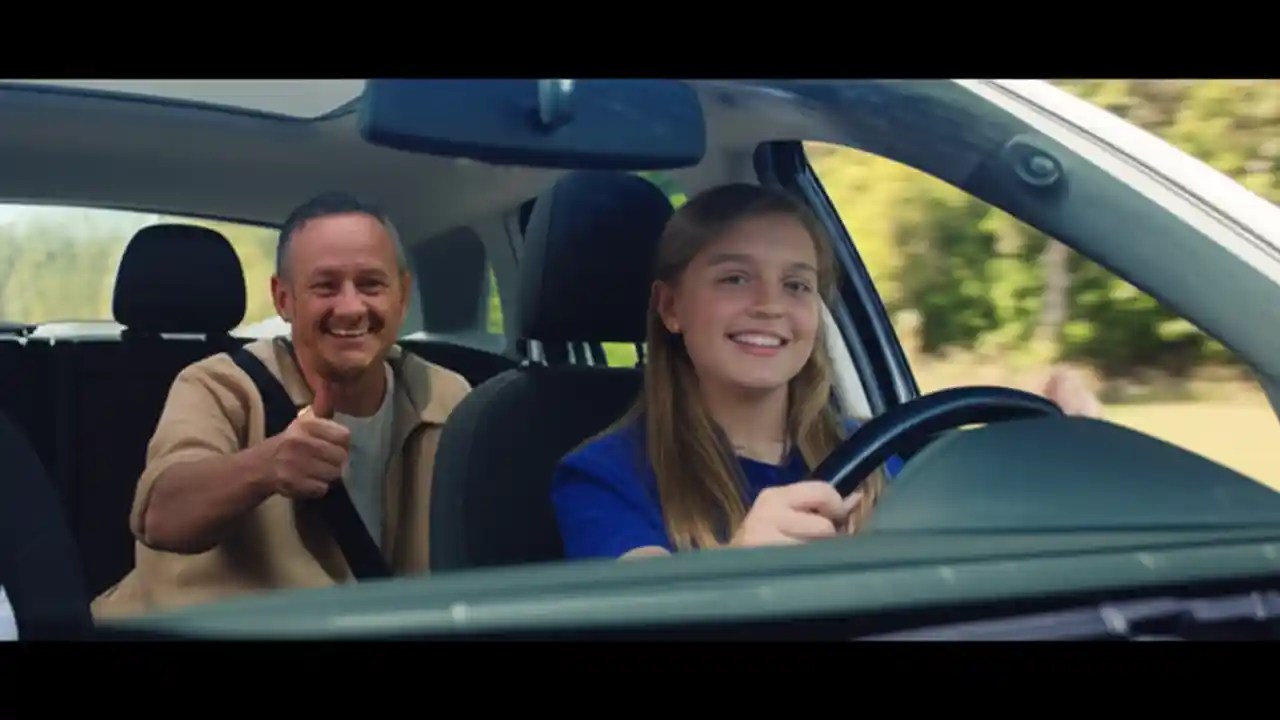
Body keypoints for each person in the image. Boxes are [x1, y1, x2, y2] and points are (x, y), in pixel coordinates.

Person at [91, 192, 471, 618]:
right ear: (284, 299)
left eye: (371, 284)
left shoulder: (445, 397)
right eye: (325, 286)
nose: (350, 308)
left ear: (402, 294)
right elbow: (161, 516)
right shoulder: (219, 385)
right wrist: (267, 466)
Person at [551, 184, 901, 559]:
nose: (770, 306)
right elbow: (647, 610)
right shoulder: (605, 477)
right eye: (735, 279)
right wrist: (740, 565)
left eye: (796, 285)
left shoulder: (875, 454)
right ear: (670, 307)